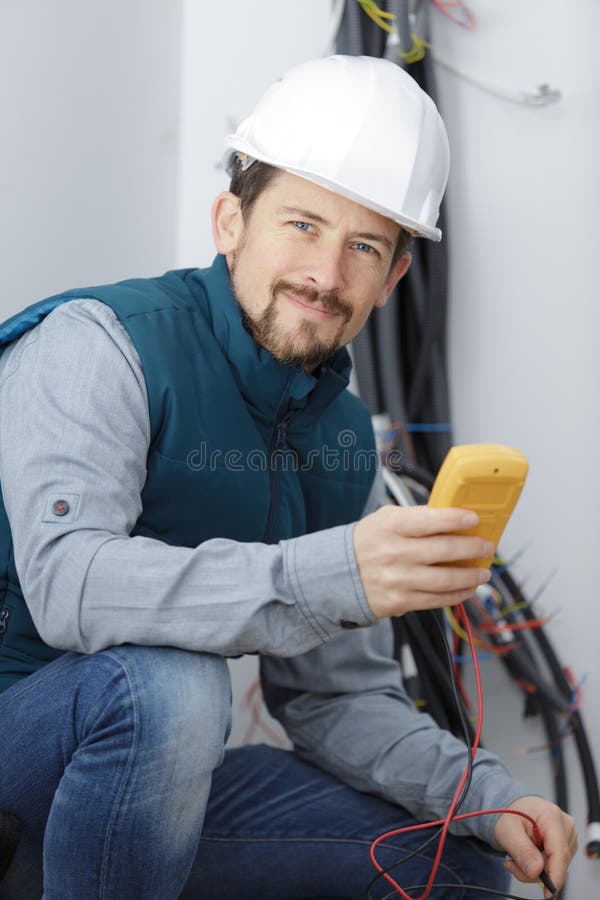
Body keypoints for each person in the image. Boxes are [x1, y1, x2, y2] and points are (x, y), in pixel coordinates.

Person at [0, 55, 576, 899]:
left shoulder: (343, 441)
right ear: (230, 220)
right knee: (172, 686)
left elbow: (336, 700)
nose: (326, 274)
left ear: (395, 277)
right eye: (302, 225)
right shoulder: (100, 344)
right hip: (25, 747)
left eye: (366, 246)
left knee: (453, 866)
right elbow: (69, 583)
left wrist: (496, 799)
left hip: (140, 794)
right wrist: (334, 570)